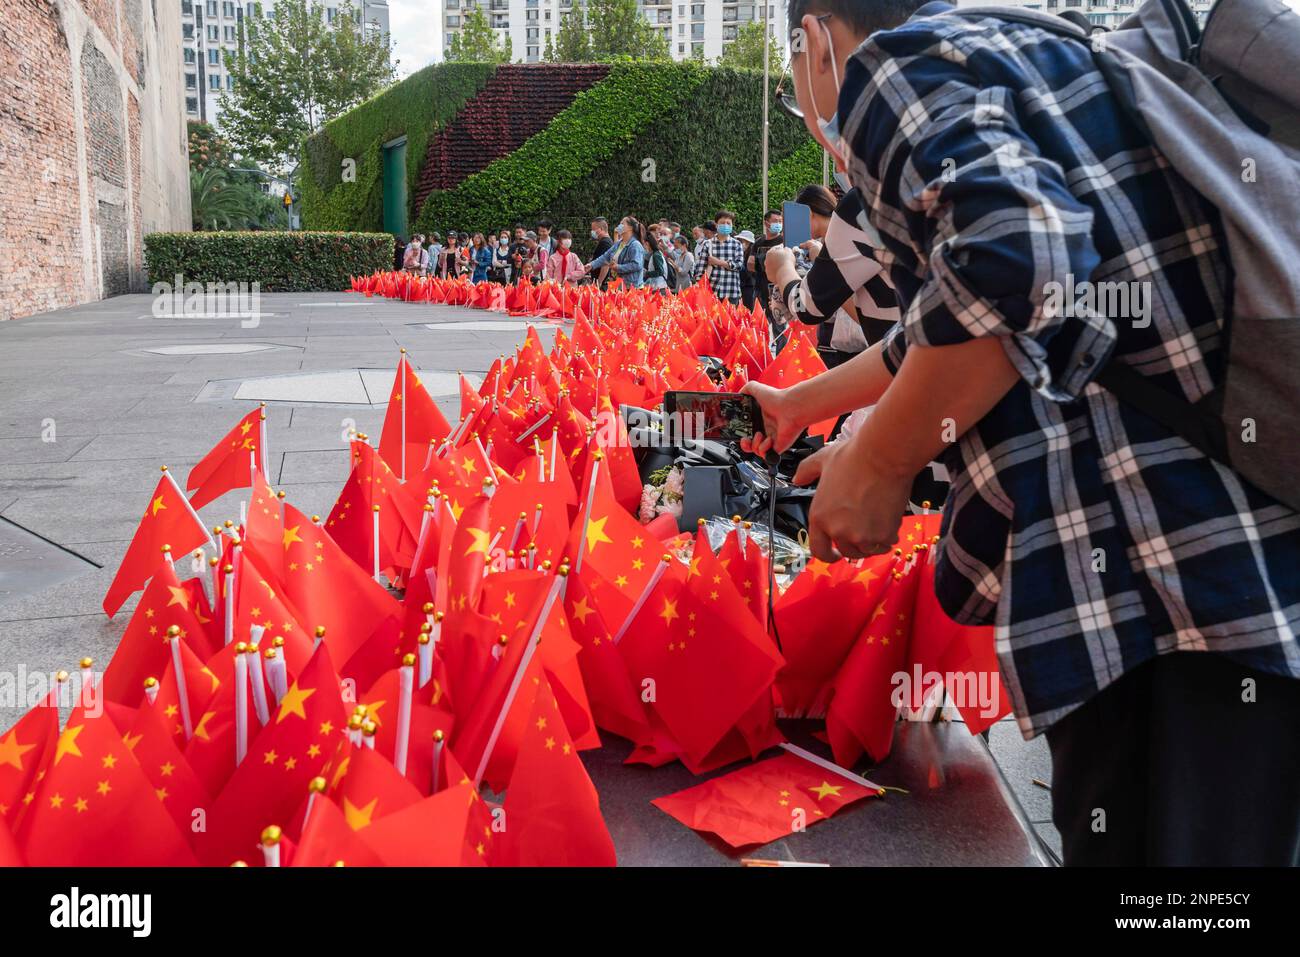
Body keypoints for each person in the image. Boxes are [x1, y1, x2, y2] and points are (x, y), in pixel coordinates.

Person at [743, 0, 1300, 867]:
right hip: (1232, 567)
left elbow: (1020, 261)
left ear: (814, 37)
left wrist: (882, 463)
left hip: (1161, 592)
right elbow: (957, 318)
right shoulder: (1028, 47)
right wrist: (806, 401)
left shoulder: (891, 69)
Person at [584, 215, 646, 289]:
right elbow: (606, 256)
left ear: (630, 228)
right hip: (620, 286)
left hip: (632, 288)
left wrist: (618, 267)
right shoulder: (619, 243)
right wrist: (591, 265)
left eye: (622, 224)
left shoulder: (635, 245)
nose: (619, 226)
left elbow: (637, 265)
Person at [703, 210, 744, 305]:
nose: (725, 225)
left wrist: (717, 262)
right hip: (711, 291)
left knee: (730, 319)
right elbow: (700, 269)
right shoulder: (708, 244)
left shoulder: (737, 244)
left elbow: (738, 265)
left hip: (731, 292)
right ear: (716, 225)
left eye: (728, 223)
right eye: (722, 223)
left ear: (732, 225)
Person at [750, 210, 784, 305]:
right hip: (760, 289)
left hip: (778, 290)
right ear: (766, 223)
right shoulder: (758, 242)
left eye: (780, 221)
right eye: (775, 221)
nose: (778, 224)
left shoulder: (784, 241)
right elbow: (750, 265)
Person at [643, 226, 671, 294]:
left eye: (644, 244)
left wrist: (646, 273)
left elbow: (660, 271)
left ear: (647, 244)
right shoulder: (655, 254)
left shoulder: (656, 255)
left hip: (659, 288)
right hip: (657, 287)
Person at [587, 217, 614, 284]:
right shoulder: (605, 241)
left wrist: (599, 282)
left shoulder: (605, 243)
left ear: (601, 229)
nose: (592, 232)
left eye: (593, 229)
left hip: (601, 283)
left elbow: (605, 264)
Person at [735, 229, 758, 309]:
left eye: (744, 241)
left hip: (749, 286)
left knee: (748, 309)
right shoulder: (738, 253)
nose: (742, 244)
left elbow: (750, 272)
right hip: (739, 286)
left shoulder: (752, 255)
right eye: (740, 241)